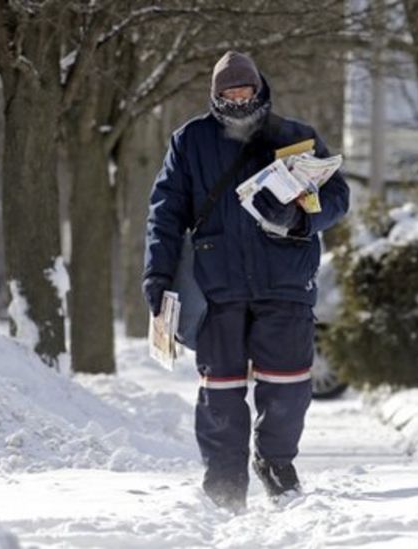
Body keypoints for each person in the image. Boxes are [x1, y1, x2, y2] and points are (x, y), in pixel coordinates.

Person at [142, 51, 350, 512]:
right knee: (221, 392)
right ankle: (224, 478)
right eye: (228, 92)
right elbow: (165, 215)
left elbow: (338, 197)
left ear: (259, 89)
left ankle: (276, 462)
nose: (237, 98)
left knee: (290, 386)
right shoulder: (190, 141)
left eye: (244, 90)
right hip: (218, 285)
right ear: (215, 95)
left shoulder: (295, 137)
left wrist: (299, 216)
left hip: (286, 282)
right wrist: (157, 275)